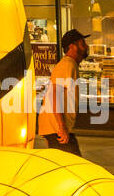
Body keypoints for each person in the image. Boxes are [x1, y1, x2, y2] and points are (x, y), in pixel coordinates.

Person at [37, 28, 90, 156]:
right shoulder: (67, 65)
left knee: (65, 165)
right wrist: (61, 127)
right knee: (72, 166)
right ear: (72, 47)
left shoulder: (70, 65)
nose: (86, 46)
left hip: (57, 127)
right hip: (56, 128)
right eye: (82, 43)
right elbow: (54, 95)